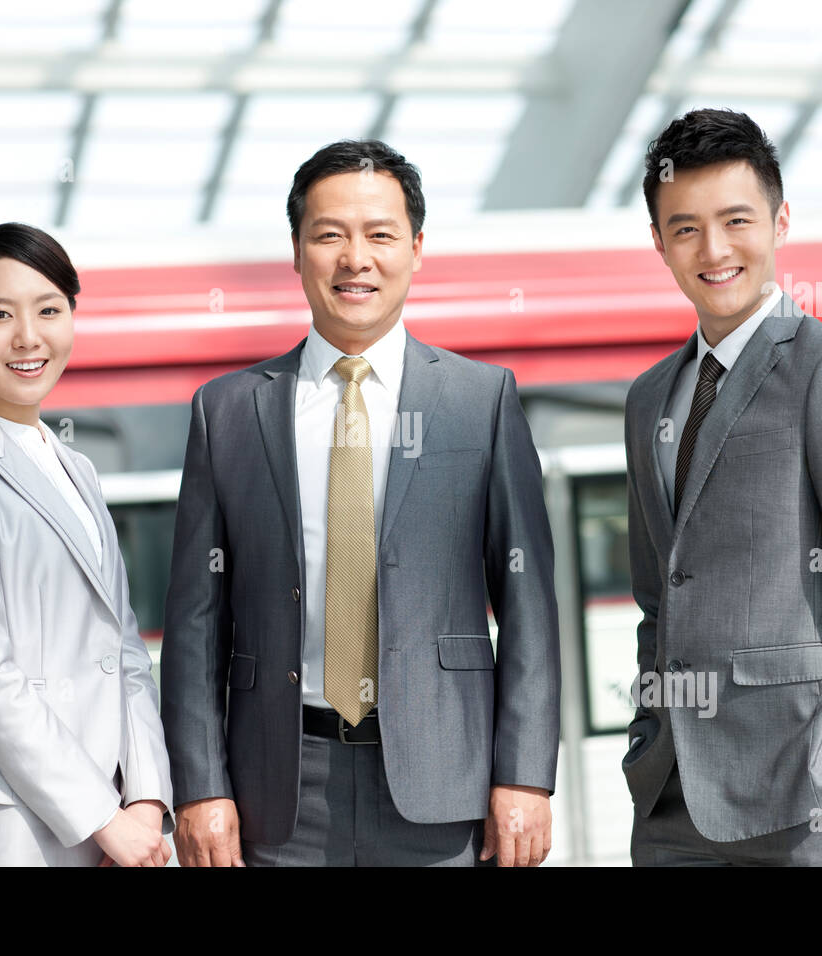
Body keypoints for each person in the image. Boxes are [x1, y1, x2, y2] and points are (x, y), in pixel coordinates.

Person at [159, 140, 561, 867]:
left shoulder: (479, 400)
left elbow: (528, 602)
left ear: (415, 247)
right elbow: (193, 624)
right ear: (296, 250)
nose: (355, 258)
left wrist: (525, 776)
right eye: (329, 235)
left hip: (445, 784)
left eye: (379, 234)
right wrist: (198, 788)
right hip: (277, 795)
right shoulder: (228, 412)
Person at [621, 109, 822, 866]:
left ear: (781, 221)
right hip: (669, 802)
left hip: (805, 803)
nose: (716, 249)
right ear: (659, 243)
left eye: (737, 220)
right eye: (686, 227)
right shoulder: (648, 398)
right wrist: (646, 735)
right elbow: (660, 597)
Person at [0, 222, 174, 866]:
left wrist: (146, 798)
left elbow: (124, 648)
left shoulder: (77, 469)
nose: (29, 337)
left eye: (49, 310)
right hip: (12, 825)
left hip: (112, 816)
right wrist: (103, 816)